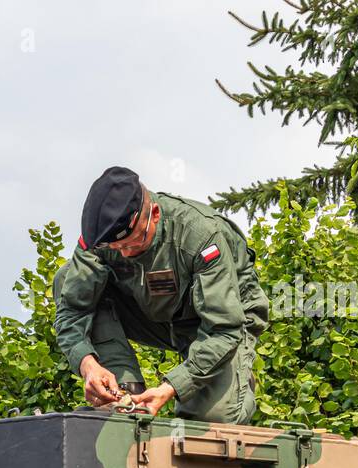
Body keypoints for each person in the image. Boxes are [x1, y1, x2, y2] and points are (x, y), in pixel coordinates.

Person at [53, 166, 269, 424]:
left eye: (132, 243)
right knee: (68, 277)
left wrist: (170, 388)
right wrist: (88, 365)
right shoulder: (100, 238)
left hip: (219, 321)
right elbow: (72, 311)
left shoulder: (201, 235)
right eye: (115, 247)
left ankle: (234, 379)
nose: (124, 254)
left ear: (154, 214)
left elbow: (223, 329)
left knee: (209, 422)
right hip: (152, 313)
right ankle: (122, 395)